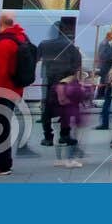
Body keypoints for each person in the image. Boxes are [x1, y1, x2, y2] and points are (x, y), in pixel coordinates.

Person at [0, 12, 31, 175]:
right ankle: (4, 162)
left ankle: (3, 164)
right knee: (5, 125)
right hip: (15, 89)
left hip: (2, 91)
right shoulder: (21, 38)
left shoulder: (3, 43)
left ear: (0, 23)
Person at [37, 19, 81, 149]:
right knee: (65, 109)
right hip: (64, 81)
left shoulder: (44, 44)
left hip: (49, 81)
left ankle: (48, 137)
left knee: (46, 110)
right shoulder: (70, 45)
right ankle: (64, 135)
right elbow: (77, 63)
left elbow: (35, 59)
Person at [94, 27, 112, 130]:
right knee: (109, 99)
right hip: (109, 75)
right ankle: (106, 122)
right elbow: (104, 56)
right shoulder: (106, 44)